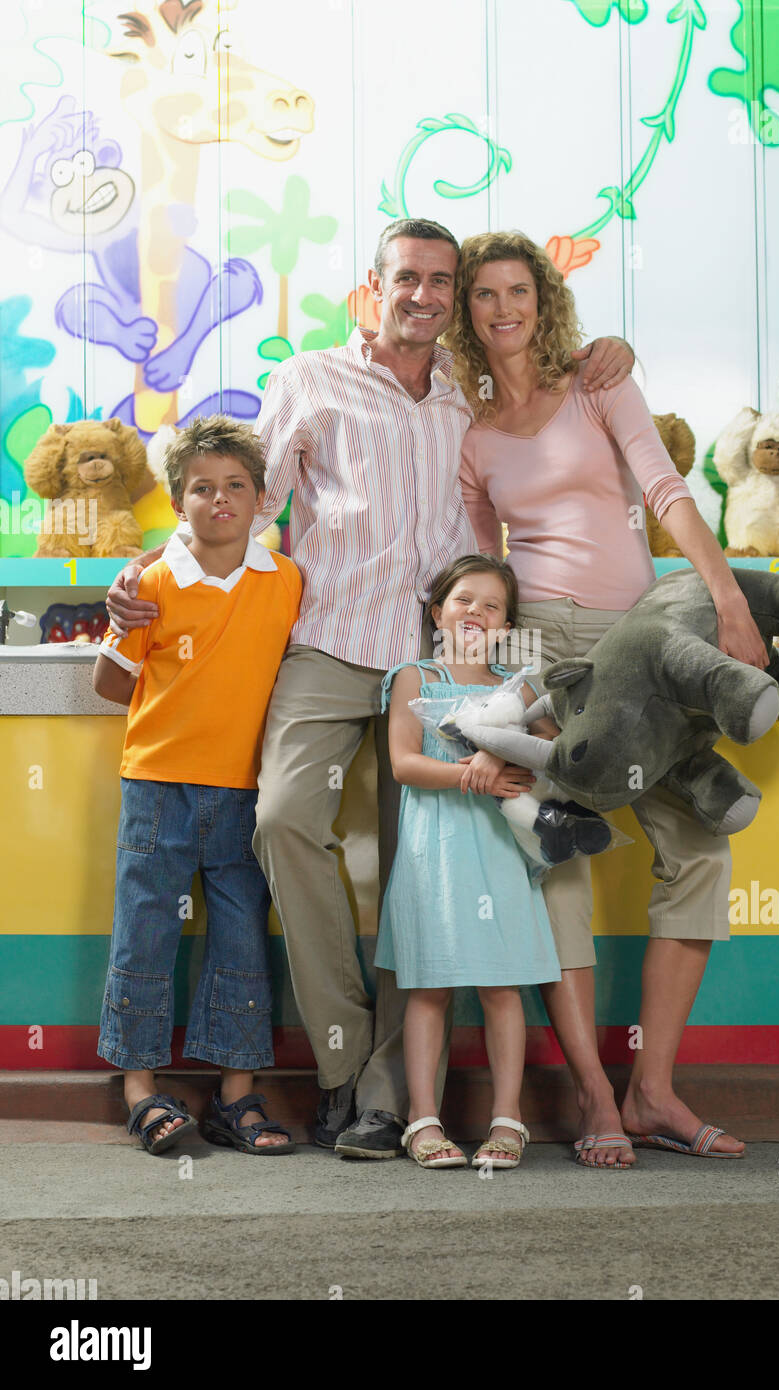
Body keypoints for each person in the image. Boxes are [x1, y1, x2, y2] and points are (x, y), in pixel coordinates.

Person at [105, 217, 635, 1159]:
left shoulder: (469, 392)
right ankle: (347, 1055)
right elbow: (243, 502)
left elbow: (542, 388)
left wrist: (605, 351)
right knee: (279, 822)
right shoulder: (309, 377)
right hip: (323, 644)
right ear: (374, 285)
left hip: (432, 667)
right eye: (408, 279)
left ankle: (386, 1100)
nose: (425, 295)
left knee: (416, 871)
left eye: (443, 281)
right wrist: (151, 567)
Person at [447, 230, 770, 1167]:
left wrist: (725, 599)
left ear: (544, 301)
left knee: (698, 845)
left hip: (644, 640)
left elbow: (665, 489)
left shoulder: (599, 383)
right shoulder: (471, 437)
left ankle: (653, 1091)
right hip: (547, 649)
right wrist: (490, 698)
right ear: (468, 316)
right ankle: (594, 1092)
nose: (504, 310)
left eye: (519, 291)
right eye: (484, 297)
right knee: (558, 855)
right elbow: (485, 572)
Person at [93, 416, 302, 1155]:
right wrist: (122, 620)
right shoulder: (150, 581)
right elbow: (108, 684)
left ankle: (236, 1095)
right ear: (180, 503)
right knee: (145, 930)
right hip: (157, 787)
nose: (220, 500)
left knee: (243, 936)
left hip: (245, 790)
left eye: (235, 487)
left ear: (260, 498)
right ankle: (141, 1090)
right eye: (201, 489)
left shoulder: (287, 581)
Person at [379, 554, 562, 1168]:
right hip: (435, 852)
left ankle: (507, 1122)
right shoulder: (415, 678)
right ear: (437, 613)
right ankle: (422, 1120)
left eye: (491, 606)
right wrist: (472, 772)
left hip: (499, 855)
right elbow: (404, 764)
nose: (476, 613)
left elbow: (548, 755)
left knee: (500, 986)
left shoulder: (521, 689)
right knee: (429, 987)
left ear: (507, 626)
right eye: (463, 600)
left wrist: (501, 759)